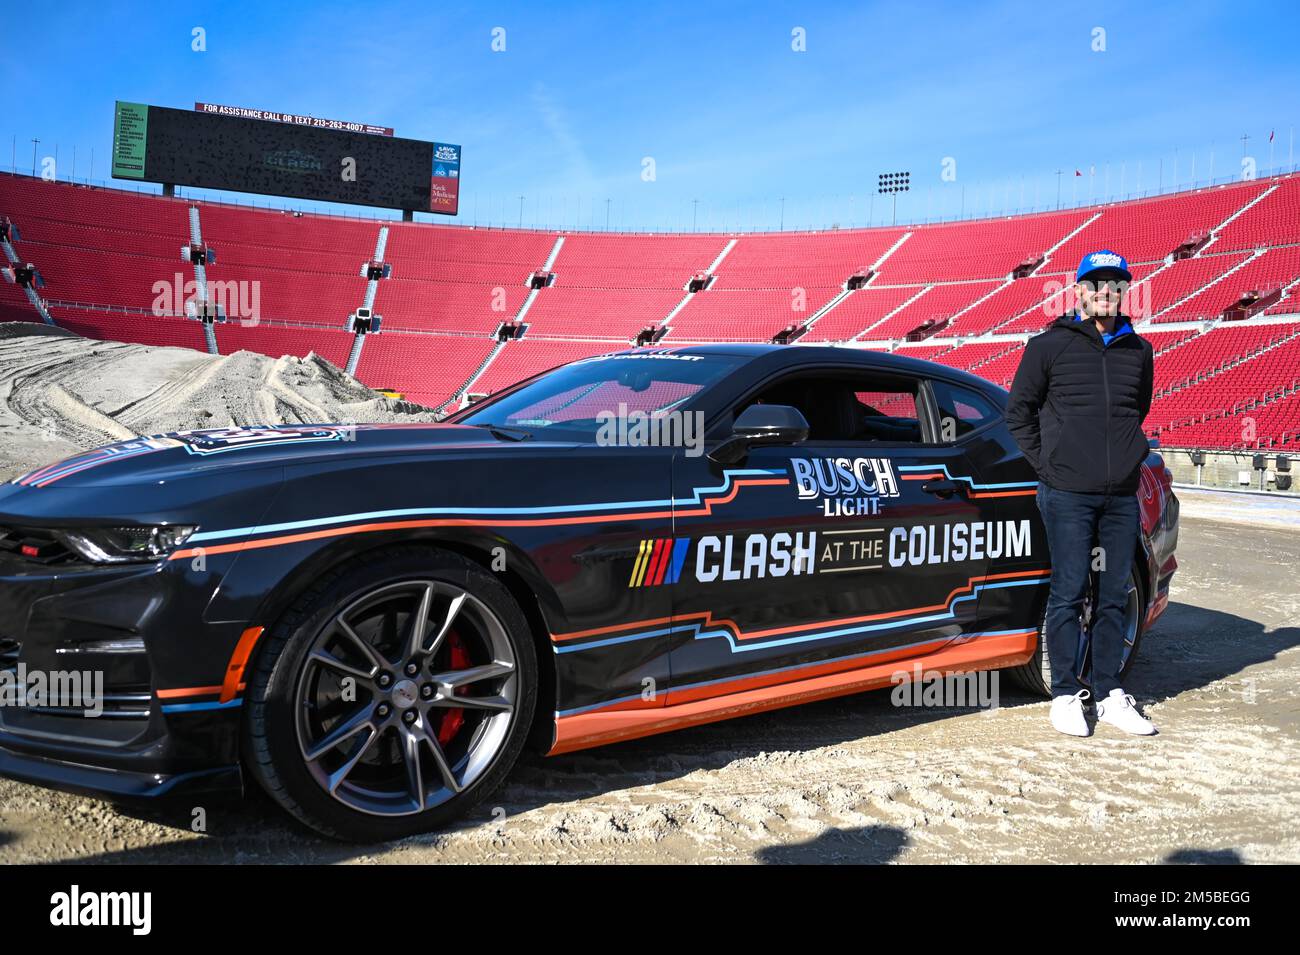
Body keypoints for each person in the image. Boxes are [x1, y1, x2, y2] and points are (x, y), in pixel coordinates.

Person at [1006, 250, 1157, 737]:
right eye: (1095, 284)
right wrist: (1050, 465)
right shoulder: (1047, 346)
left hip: (1120, 496)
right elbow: (1018, 413)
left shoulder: (1140, 351)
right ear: (1079, 291)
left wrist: (1129, 460)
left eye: (1115, 284)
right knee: (1069, 592)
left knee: (1114, 593)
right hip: (1066, 493)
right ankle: (1068, 693)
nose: (1105, 292)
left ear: (1123, 292)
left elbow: (1138, 412)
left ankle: (1110, 691)